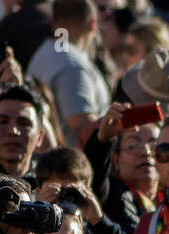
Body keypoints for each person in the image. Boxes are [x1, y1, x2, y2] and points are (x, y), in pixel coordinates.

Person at [25, 0, 109, 148]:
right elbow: (82, 124)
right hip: (70, 162)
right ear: (93, 24)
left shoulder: (44, 53)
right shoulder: (72, 66)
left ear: (53, 22)